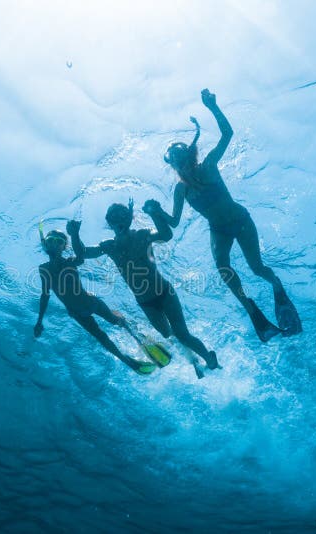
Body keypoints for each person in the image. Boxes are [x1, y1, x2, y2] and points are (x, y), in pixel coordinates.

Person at [157, 89, 302, 341]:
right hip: (219, 230)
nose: (181, 164)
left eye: (183, 158)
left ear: (190, 155)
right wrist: (156, 212)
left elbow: (227, 134)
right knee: (222, 267)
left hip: (240, 221)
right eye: (176, 161)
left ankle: (277, 286)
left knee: (256, 268)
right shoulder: (181, 190)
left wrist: (213, 107)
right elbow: (174, 222)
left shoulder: (209, 164)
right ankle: (250, 308)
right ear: (174, 166)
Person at [69, 201, 219, 373]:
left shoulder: (142, 234)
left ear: (130, 218)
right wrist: (74, 235)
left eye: (123, 216)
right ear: (109, 223)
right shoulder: (109, 246)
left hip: (165, 293)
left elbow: (166, 234)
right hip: (146, 302)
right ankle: (192, 359)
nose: (120, 221)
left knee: (182, 333)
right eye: (115, 218)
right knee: (167, 334)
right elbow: (83, 253)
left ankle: (209, 359)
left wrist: (154, 214)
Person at [34, 223, 157, 375]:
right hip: (77, 313)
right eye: (52, 239)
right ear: (45, 242)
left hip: (91, 302)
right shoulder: (43, 269)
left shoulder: (70, 262)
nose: (55, 243)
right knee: (101, 337)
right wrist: (39, 321)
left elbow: (81, 257)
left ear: (64, 246)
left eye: (60, 241)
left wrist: (75, 234)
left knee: (117, 321)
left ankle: (142, 339)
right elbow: (45, 295)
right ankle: (128, 361)